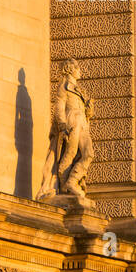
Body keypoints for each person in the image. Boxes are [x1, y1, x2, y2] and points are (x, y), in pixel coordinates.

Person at [38, 58, 93, 201]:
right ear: (70, 69)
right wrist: (62, 125)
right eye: (77, 68)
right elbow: (59, 107)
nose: (80, 71)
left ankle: (72, 181)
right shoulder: (64, 86)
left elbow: (85, 112)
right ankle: (65, 187)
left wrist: (89, 111)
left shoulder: (79, 90)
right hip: (72, 121)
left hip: (82, 123)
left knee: (88, 154)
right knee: (70, 154)